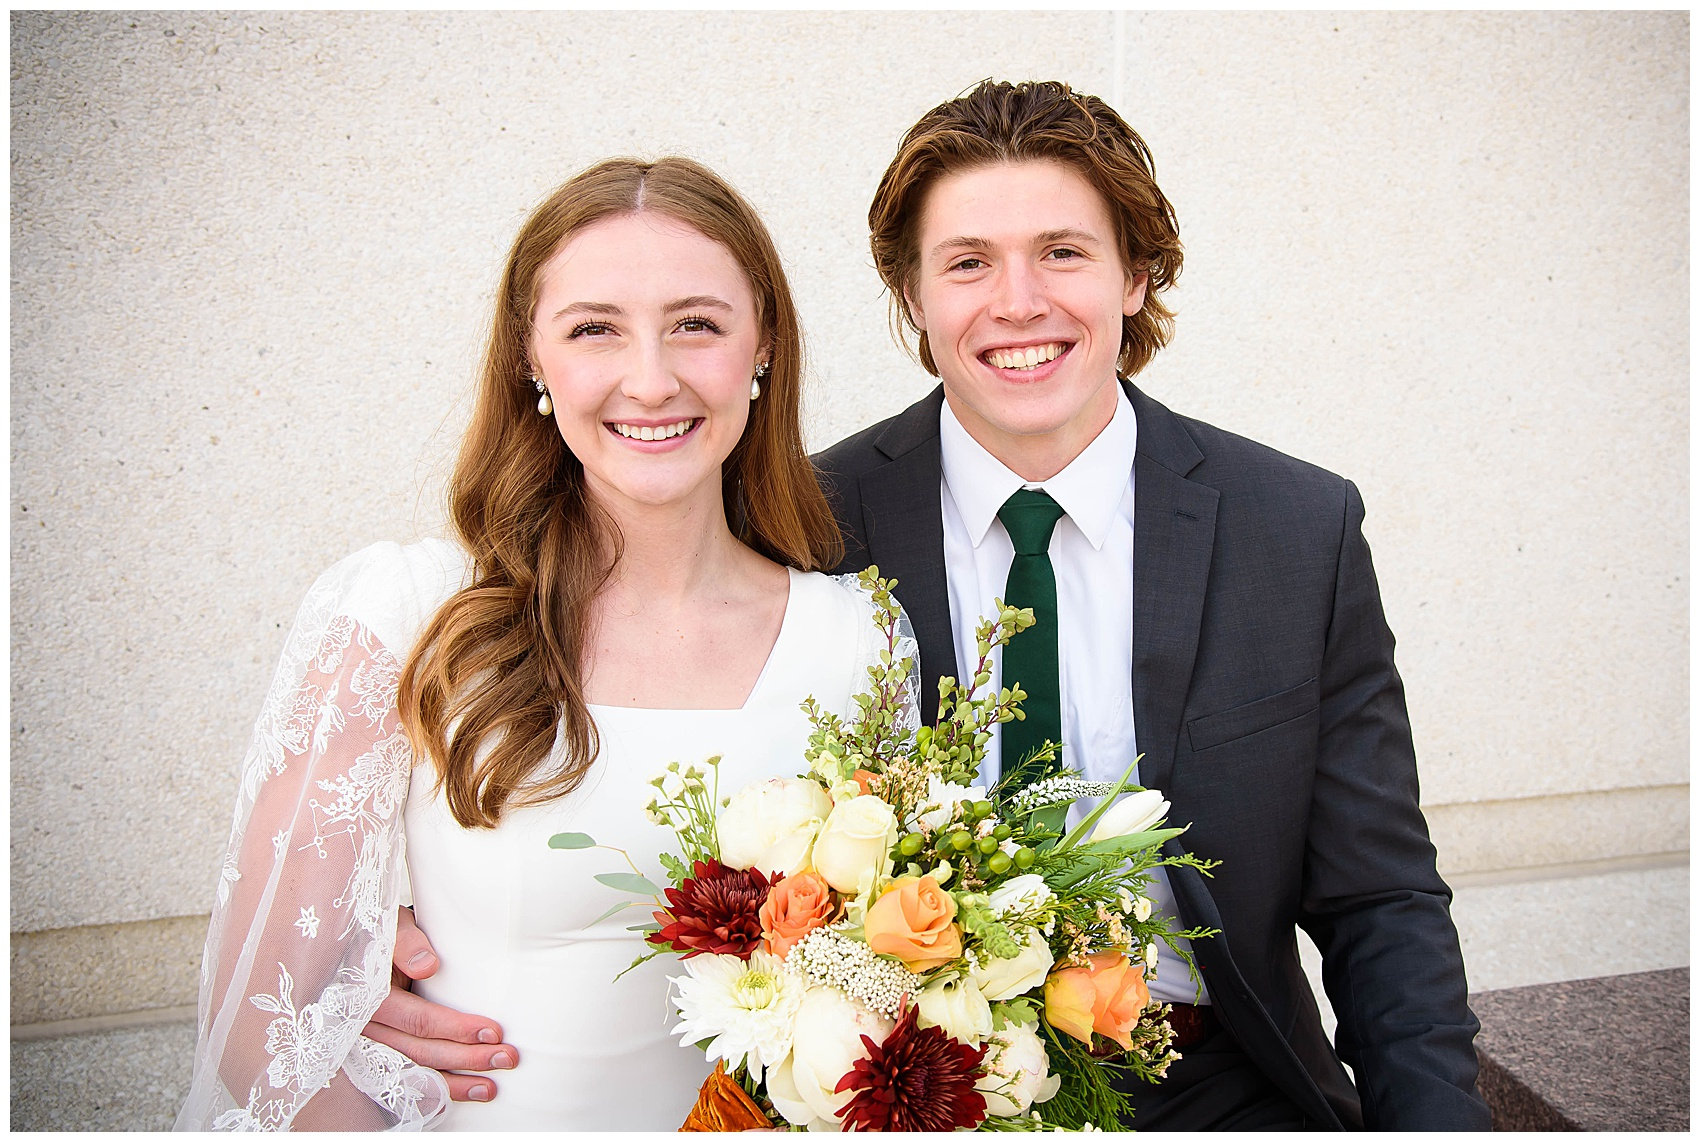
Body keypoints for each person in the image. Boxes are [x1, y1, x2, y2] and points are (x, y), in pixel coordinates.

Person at [371, 81, 1491, 1129]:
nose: (1018, 302)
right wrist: (385, 942)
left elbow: (1378, 897)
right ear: (911, 296)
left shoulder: (1292, 528)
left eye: (1062, 252)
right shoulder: (797, 528)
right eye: (967, 263)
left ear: (1136, 275)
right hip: (904, 1096)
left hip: (1223, 1083)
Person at [176, 156, 914, 1130]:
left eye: (696, 324)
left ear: (763, 344)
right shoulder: (409, 616)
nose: (650, 380)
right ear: (530, 357)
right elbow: (262, 1034)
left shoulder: (860, 637)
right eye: (593, 329)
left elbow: (894, 974)